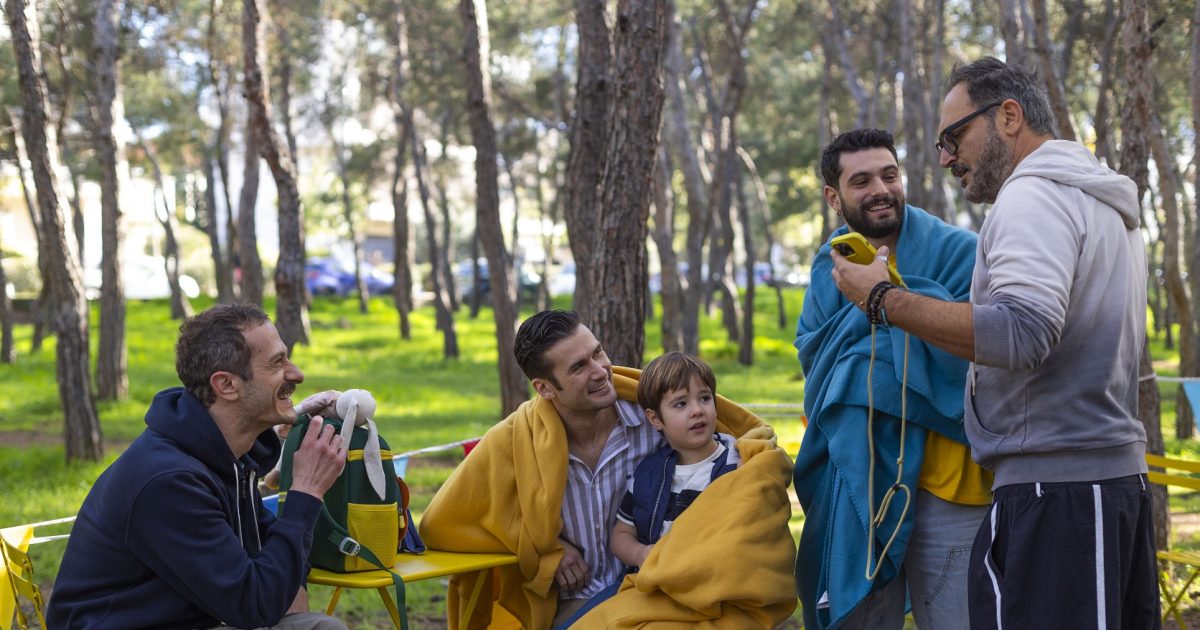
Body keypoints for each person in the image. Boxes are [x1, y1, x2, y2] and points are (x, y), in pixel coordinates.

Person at [830, 57, 1158, 628]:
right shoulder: (1095, 197)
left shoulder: (1032, 197)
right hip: (1101, 486)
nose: (945, 157)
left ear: (1009, 116)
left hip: (1059, 493)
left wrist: (882, 300)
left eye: (954, 136)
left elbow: (1021, 332)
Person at [419, 310, 792, 628]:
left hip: (661, 590)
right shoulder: (519, 440)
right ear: (545, 387)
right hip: (573, 604)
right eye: (580, 367)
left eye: (597, 352)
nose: (601, 371)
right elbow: (442, 523)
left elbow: (745, 452)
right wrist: (549, 548)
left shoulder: (658, 417)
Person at [46, 304, 350, 630]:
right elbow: (253, 605)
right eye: (277, 362)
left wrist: (284, 425)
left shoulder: (224, 460)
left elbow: (268, 555)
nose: (297, 373)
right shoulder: (170, 482)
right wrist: (306, 491)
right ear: (227, 385)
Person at [793, 128, 989, 629]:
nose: (880, 188)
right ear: (834, 197)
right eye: (861, 181)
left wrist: (888, 312)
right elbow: (820, 363)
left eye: (889, 174)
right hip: (861, 479)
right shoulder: (829, 267)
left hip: (951, 487)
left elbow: (983, 352)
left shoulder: (962, 254)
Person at [610, 351, 740, 570]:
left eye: (705, 398)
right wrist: (641, 554)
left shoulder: (737, 460)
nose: (697, 410)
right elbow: (621, 535)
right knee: (598, 607)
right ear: (654, 418)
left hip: (716, 580)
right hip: (656, 583)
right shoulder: (647, 474)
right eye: (681, 404)